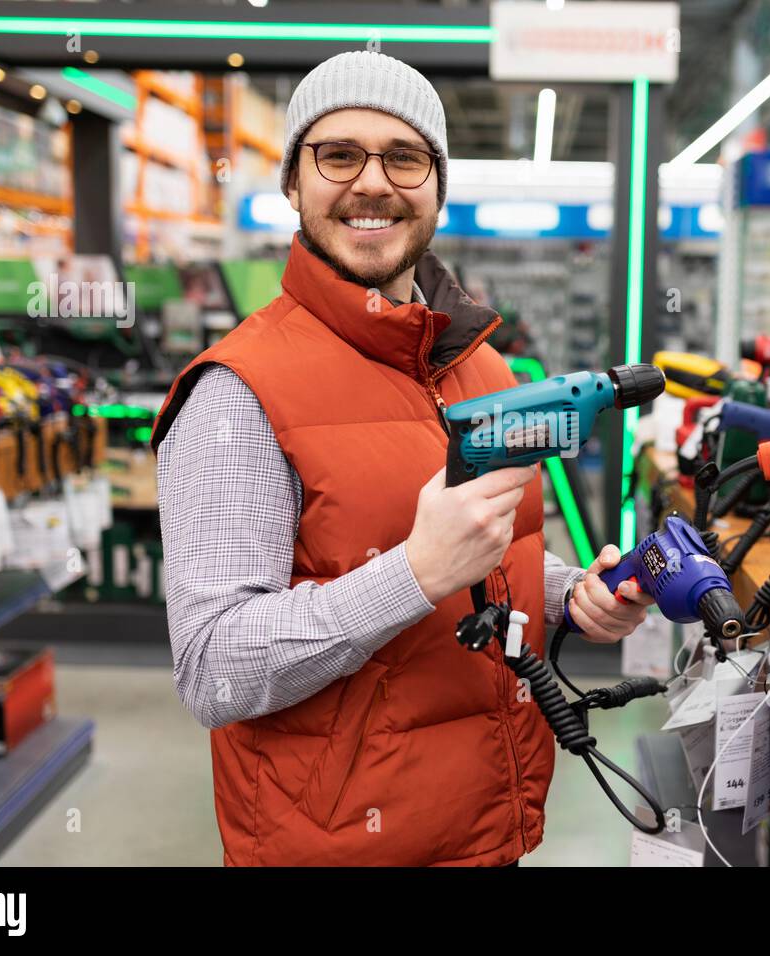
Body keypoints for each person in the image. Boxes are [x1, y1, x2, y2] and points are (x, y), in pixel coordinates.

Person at [152, 51, 651, 867]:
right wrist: (415, 573)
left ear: (437, 187)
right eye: (339, 154)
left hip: (492, 830)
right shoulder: (237, 393)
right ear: (292, 185)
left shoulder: (482, 367)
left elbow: (493, 552)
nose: (372, 182)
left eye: (405, 156)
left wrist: (571, 595)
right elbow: (215, 672)